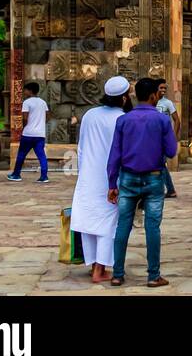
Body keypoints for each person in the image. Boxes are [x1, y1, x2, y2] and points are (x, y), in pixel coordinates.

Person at [107, 75, 178, 288]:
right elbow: (172, 151)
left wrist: (112, 184)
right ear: (154, 95)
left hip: (127, 177)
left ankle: (117, 274)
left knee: (123, 226)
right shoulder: (162, 120)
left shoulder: (123, 120)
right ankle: (153, 275)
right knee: (152, 227)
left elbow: (114, 155)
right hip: (154, 178)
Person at [70, 76, 129, 283]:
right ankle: (100, 270)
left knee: (89, 221)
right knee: (107, 222)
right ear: (124, 97)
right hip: (110, 177)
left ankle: (94, 263)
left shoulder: (89, 115)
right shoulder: (121, 118)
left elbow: (82, 146)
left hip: (88, 174)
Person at [6, 81, 49, 182]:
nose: (24, 92)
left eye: (25, 90)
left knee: (21, 154)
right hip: (40, 134)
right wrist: (40, 123)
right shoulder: (43, 102)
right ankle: (44, 176)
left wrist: (24, 127)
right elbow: (47, 116)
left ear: (30, 91)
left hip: (28, 133)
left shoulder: (27, 102)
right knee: (41, 155)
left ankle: (16, 174)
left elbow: (25, 118)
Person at [155, 80, 180, 199]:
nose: (163, 90)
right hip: (152, 138)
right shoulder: (152, 102)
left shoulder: (168, 103)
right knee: (159, 163)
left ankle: (170, 189)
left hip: (163, 138)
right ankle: (169, 189)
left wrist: (173, 136)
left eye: (165, 88)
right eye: (161, 88)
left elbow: (177, 120)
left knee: (160, 163)